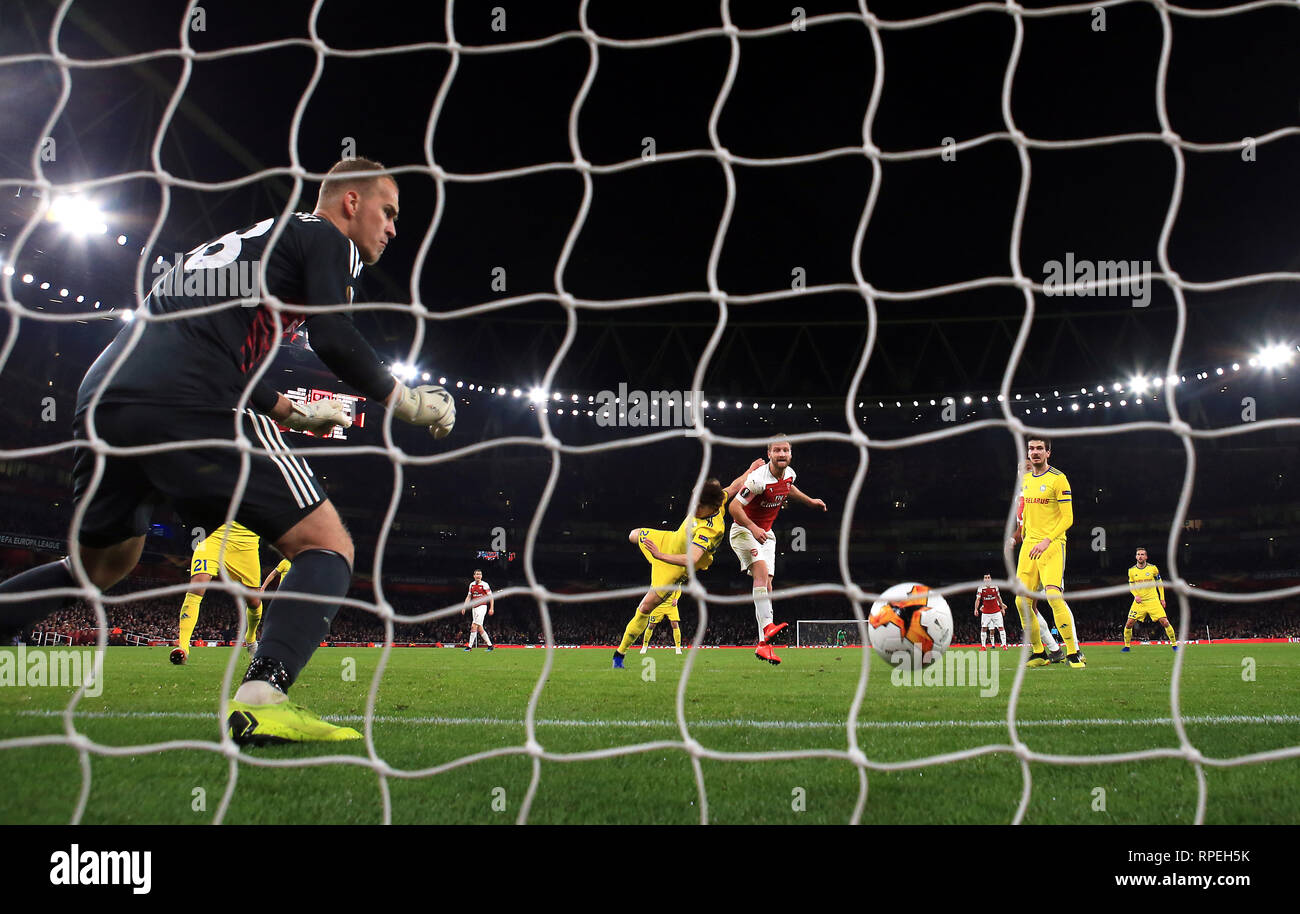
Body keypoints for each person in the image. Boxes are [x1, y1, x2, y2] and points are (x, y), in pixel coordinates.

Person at [0, 157, 456, 744]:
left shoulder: (256, 245)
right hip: (186, 395)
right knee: (327, 543)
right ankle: (263, 698)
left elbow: (207, 341)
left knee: (102, 566)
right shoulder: (323, 237)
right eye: (387, 212)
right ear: (349, 201)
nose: (392, 228)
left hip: (107, 393)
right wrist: (408, 402)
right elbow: (333, 335)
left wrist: (292, 410)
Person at [612, 459, 765, 668]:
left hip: (674, 566)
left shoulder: (709, 530)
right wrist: (750, 470)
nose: (693, 506)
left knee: (645, 606)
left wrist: (658, 556)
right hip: (668, 540)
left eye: (698, 505)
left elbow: (691, 559)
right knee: (632, 534)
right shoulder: (717, 501)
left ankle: (619, 655)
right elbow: (735, 485)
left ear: (710, 507)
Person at [728, 436, 827, 665]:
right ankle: (768, 626)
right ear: (769, 453)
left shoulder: (790, 473)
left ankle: (764, 645)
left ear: (790, 454)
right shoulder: (757, 479)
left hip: (767, 535)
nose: (782, 454)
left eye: (786, 450)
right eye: (777, 451)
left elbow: (788, 488)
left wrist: (810, 501)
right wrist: (752, 528)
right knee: (761, 574)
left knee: (768, 586)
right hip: (744, 531)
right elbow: (733, 506)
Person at [1013, 438, 1084, 668]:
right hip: (1029, 546)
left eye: (1039, 449)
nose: (1035, 452)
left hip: (1052, 544)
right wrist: (1019, 536)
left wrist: (1046, 540)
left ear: (1048, 452)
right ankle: (1040, 652)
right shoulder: (1025, 480)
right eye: (1031, 449)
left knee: (1054, 596)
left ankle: (1073, 652)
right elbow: (1026, 516)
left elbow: (1068, 518)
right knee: (1020, 601)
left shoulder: (1058, 479)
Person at [172, 521, 268, 664]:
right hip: (213, 536)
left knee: (254, 600)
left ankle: (251, 638)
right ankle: (183, 648)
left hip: (246, 541)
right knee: (198, 584)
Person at [1122, 546, 1176, 652]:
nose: (1140, 556)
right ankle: (1127, 646)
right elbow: (1131, 586)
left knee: (1164, 622)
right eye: (1138, 554)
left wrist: (1162, 598)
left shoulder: (1153, 568)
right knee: (1129, 623)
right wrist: (1135, 596)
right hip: (1139, 602)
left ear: (1146, 557)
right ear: (1135, 557)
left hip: (1153, 600)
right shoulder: (1131, 571)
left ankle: (1174, 644)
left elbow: (1159, 583)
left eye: (1142, 554)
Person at [461, 568, 494, 652]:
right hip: (474, 608)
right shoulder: (471, 585)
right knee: (480, 628)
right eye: (477, 574)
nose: (478, 576)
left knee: (474, 625)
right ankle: (490, 646)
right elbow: (469, 597)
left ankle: (469, 647)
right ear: (474, 576)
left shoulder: (485, 585)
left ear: (481, 576)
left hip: (482, 607)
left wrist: (491, 608)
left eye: (480, 574)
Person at [973, 573, 1008, 651]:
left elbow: (999, 598)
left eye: (988, 577)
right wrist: (976, 609)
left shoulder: (995, 587)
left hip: (996, 611)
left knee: (1001, 627)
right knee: (983, 628)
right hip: (986, 613)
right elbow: (978, 599)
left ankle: (1004, 645)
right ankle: (983, 646)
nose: (987, 579)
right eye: (985, 577)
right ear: (984, 579)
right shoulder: (980, 588)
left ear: (991, 579)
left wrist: (1002, 608)